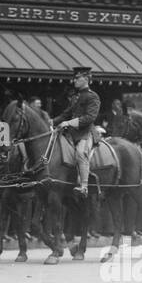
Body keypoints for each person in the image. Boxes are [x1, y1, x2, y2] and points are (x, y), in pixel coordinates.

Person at [51, 65, 102, 197]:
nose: (74, 81)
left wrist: (68, 123)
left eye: (77, 78)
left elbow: (89, 118)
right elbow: (65, 114)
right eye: (74, 78)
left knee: (80, 153)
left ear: (86, 79)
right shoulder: (75, 97)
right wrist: (51, 122)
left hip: (85, 133)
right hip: (70, 134)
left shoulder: (93, 97)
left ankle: (84, 186)